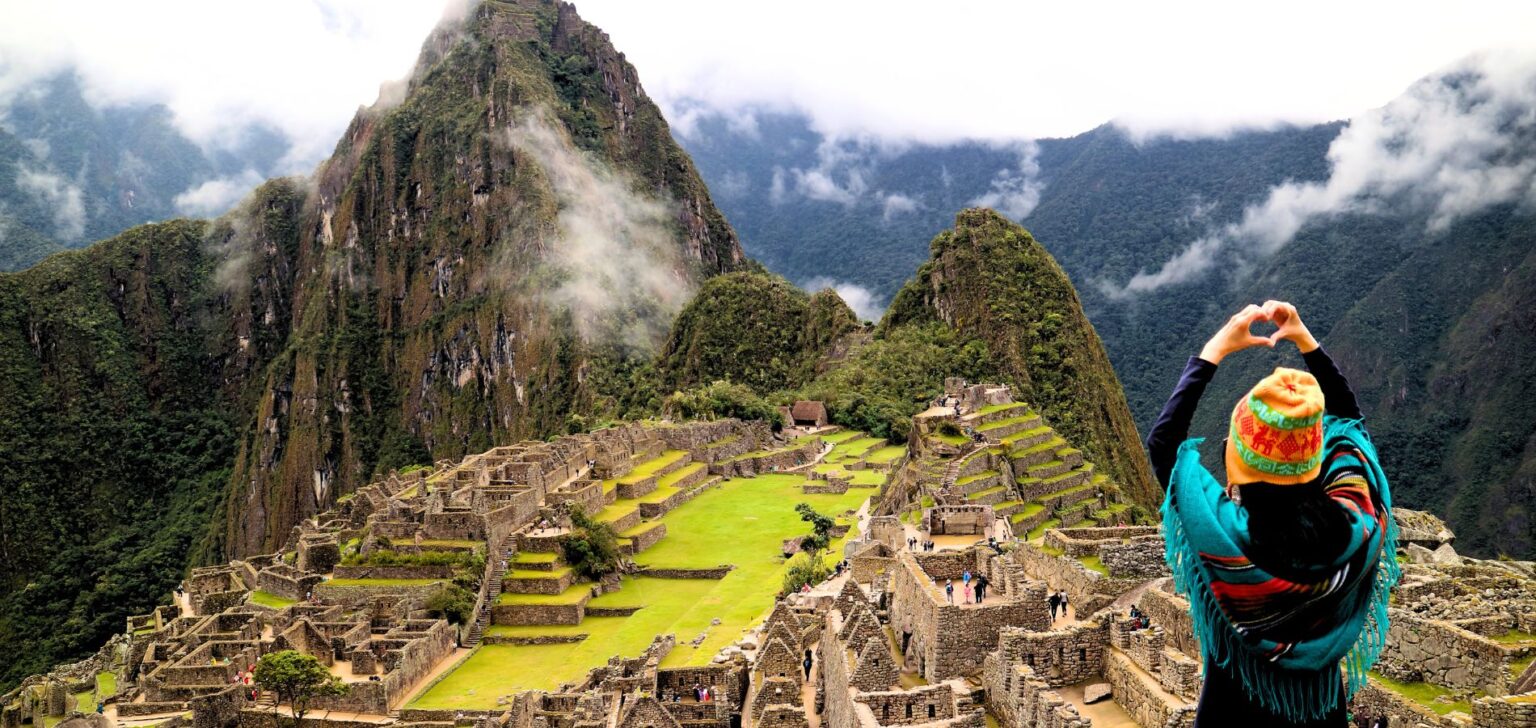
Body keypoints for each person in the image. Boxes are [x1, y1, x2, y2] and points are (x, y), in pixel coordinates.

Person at [1149, 302, 1398, 728]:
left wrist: (1215, 349)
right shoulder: (1356, 531)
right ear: (1315, 462)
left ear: (1239, 461)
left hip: (1231, 711)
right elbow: (1351, 427)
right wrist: (1306, 341)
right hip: (1319, 710)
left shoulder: (1224, 537)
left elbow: (1164, 443)